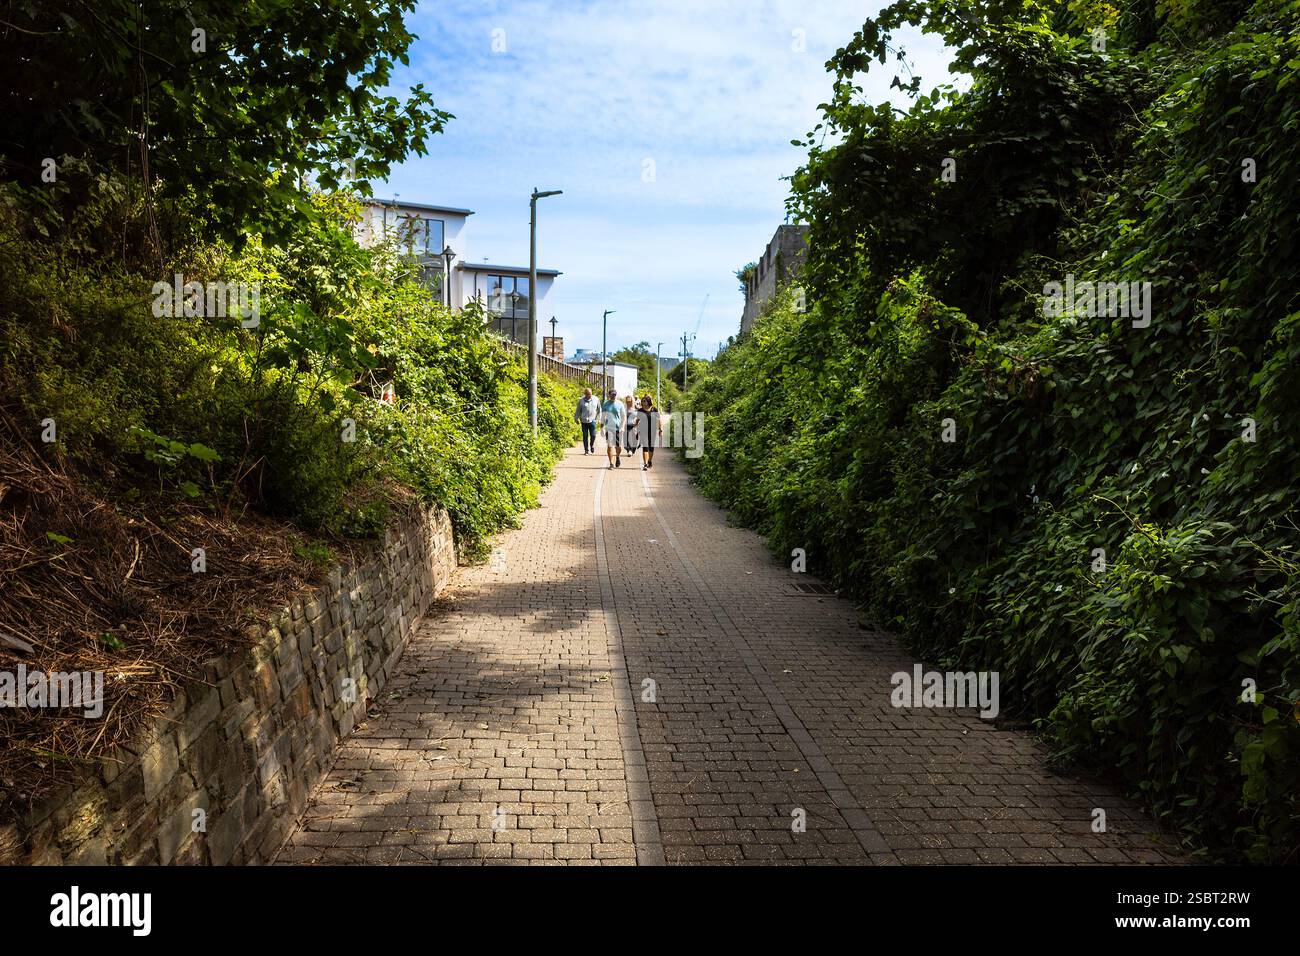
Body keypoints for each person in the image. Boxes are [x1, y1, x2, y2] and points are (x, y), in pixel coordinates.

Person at [636, 394, 662, 470]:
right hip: (643, 431)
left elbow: (659, 419)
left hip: (653, 431)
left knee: (651, 449)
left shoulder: (654, 409)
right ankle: (645, 464)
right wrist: (635, 428)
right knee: (645, 447)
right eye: (642, 401)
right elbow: (638, 420)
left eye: (644, 401)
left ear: (648, 401)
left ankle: (650, 461)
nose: (643, 402)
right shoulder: (640, 410)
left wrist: (661, 429)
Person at [600, 388, 623, 469]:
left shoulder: (620, 404)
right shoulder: (605, 404)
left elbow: (624, 417)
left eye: (614, 395)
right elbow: (602, 417)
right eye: (612, 395)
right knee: (610, 446)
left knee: (618, 446)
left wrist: (622, 426)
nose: (613, 396)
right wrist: (601, 428)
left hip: (618, 428)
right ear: (609, 395)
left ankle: (617, 456)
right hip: (609, 428)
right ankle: (611, 463)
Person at [574, 388, 599, 454]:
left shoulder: (596, 399)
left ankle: (592, 445)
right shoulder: (581, 400)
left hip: (593, 420)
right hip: (584, 421)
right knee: (585, 436)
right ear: (585, 394)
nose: (589, 396)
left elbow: (599, 410)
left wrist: (597, 419)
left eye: (590, 394)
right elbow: (578, 410)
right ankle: (586, 450)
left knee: (593, 435)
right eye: (588, 394)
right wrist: (576, 418)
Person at [622, 394, 640, 458]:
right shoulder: (624, 407)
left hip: (634, 425)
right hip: (626, 425)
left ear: (632, 401)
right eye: (627, 401)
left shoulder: (636, 407)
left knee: (634, 439)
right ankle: (629, 450)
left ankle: (632, 450)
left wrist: (637, 422)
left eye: (629, 401)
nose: (628, 402)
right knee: (626, 439)